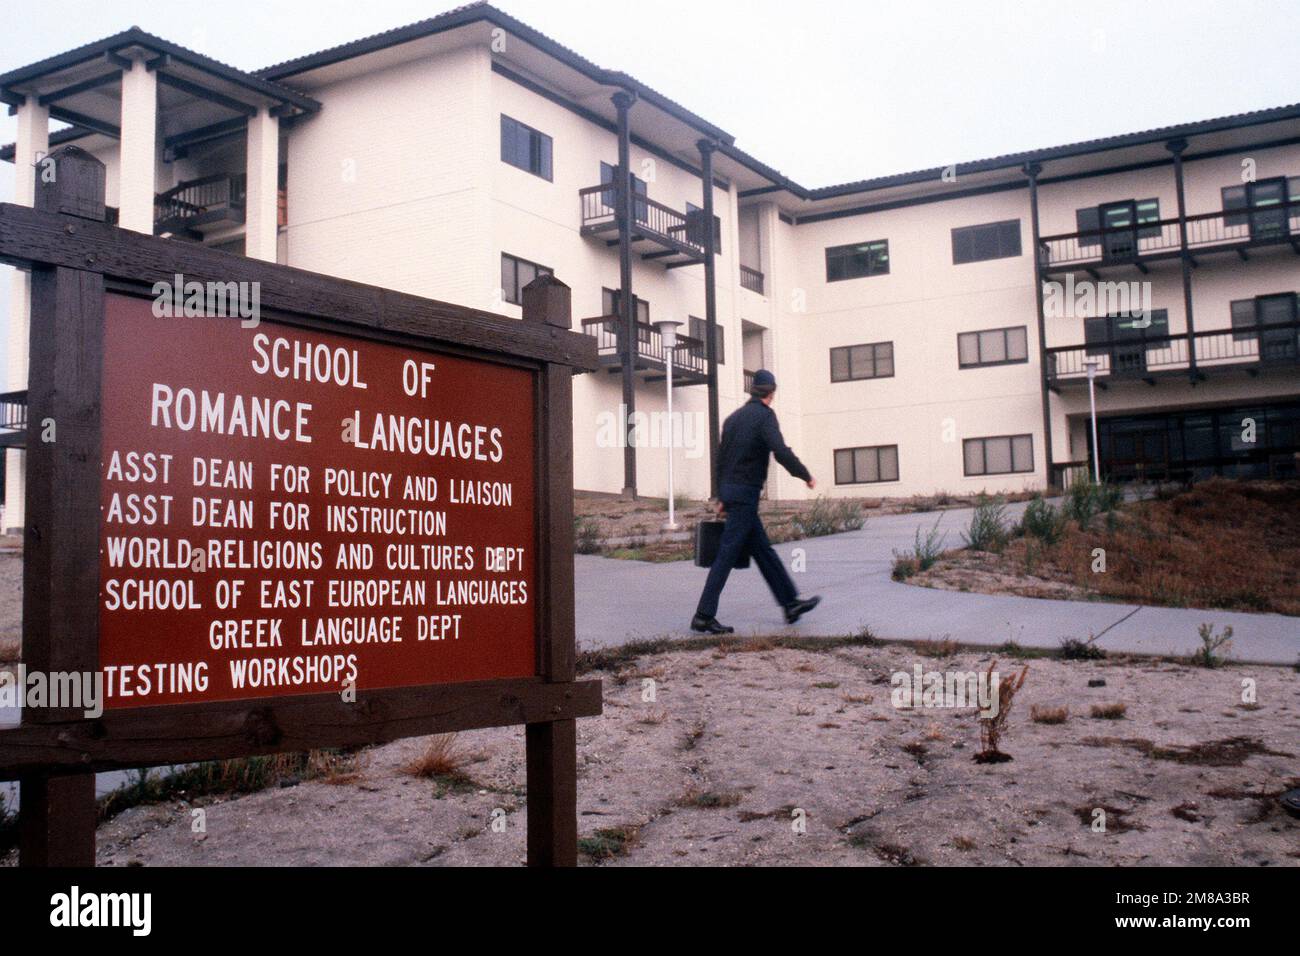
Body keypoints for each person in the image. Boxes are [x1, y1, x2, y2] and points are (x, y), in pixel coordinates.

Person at [691, 369, 821, 634]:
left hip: (732, 494)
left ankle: (790, 604)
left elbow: (721, 460)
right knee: (726, 554)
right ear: (771, 392)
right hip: (746, 495)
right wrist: (804, 475)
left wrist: (722, 495)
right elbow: (781, 451)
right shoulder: (764, 416)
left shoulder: (733, 419)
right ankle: (703, 615)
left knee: (763, 551)